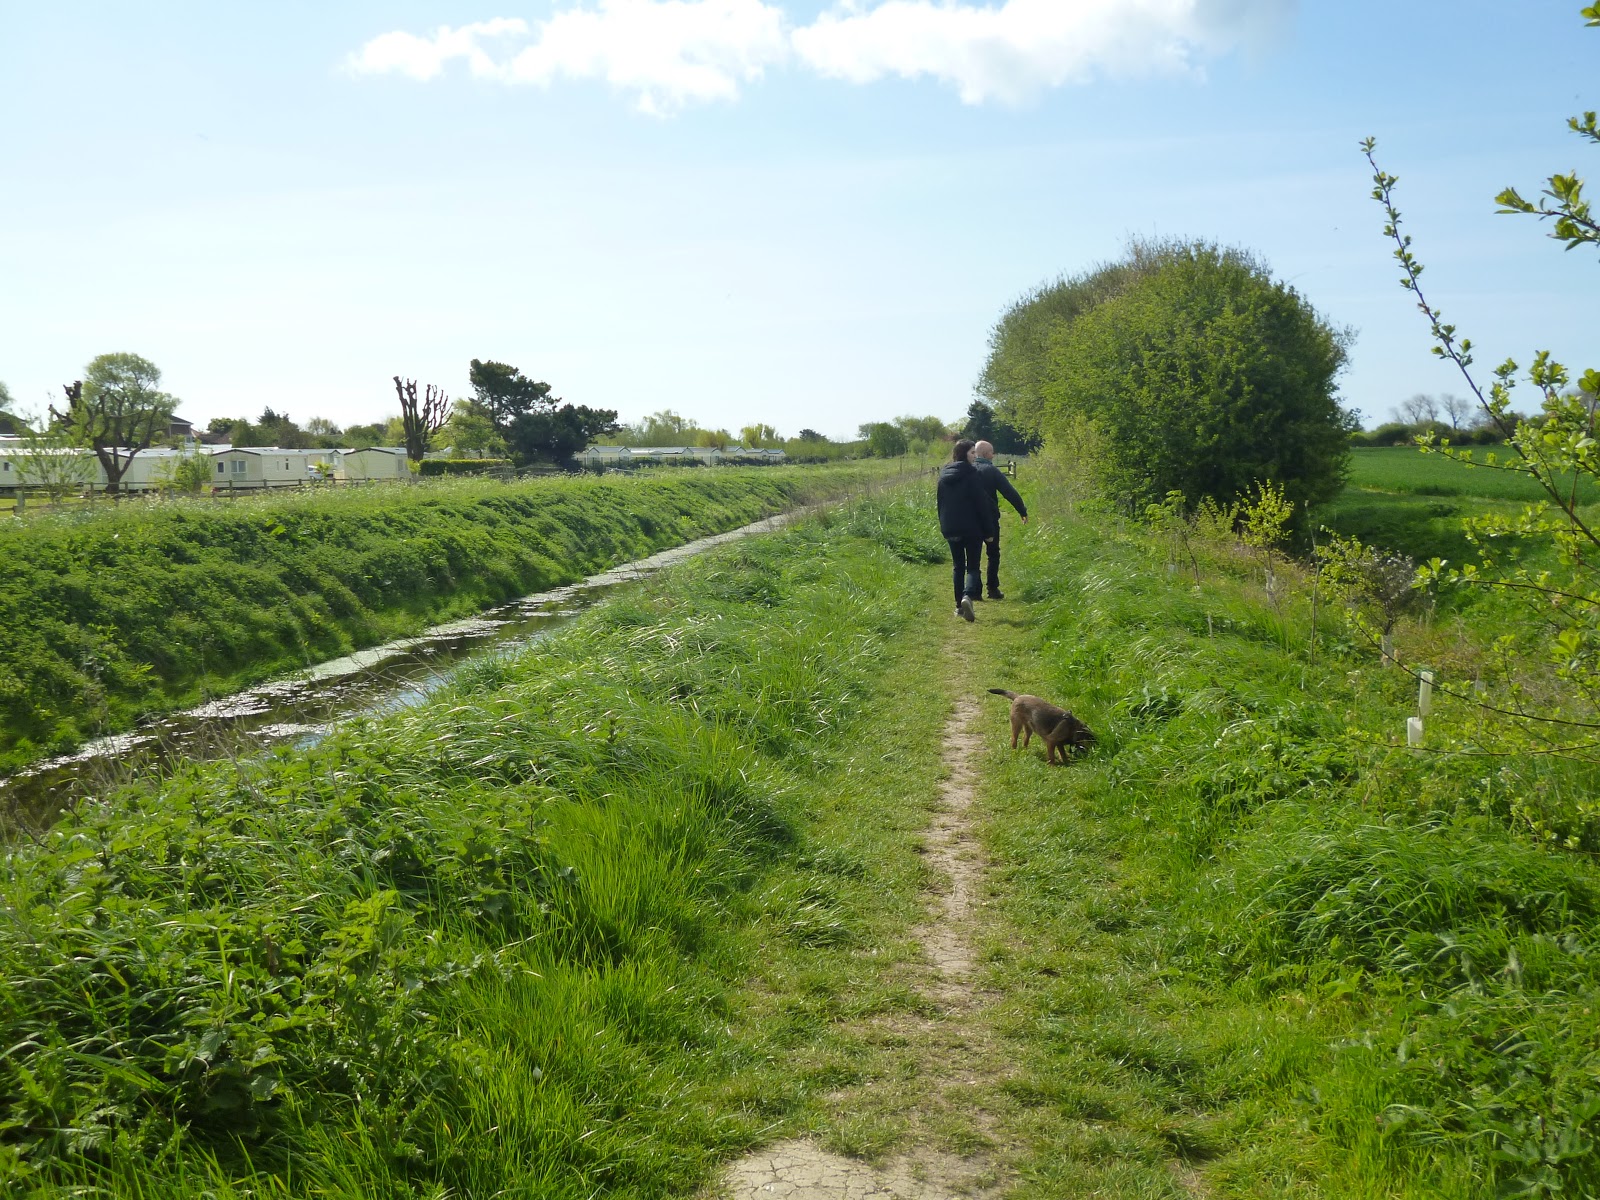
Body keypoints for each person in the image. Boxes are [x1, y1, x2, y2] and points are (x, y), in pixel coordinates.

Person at [936, 439, 995, 622]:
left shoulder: (943, 475)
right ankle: (967, 596)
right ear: (964, 455)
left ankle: (958, 607)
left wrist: (944, 526)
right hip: (972, 528)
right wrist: (988, 531)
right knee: (973, 567)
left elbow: (940, 504)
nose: (975, 456)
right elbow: (981, 505)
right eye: (972, 453)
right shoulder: (972, 474)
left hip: (951, 527)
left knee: (957, 566)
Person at [970, 439, 1028, 600]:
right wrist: (1022, 511)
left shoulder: (967, 470)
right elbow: (1009, 492)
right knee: (993, 553)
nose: (993, 455)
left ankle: (974, 590)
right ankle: (992, 589)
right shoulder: (991, 471)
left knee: (973, 554)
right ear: (987, 454)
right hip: (989, 518)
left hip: (971, 519)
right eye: (992, 452)